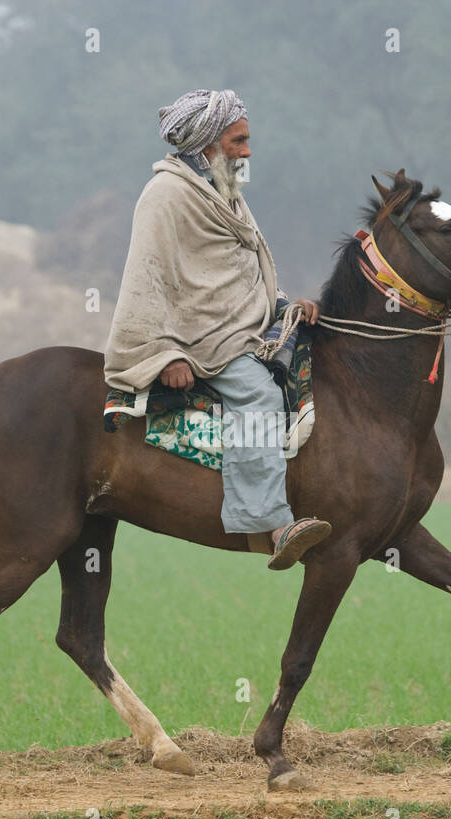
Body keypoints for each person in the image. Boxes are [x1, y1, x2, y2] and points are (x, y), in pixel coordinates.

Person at [103, 88, 331, 570]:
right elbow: (147, 280)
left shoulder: (223, 191)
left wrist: (285, 306)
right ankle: (270, 522)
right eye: (238, 141)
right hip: (208, 341)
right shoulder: (165, 196)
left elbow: (239, 274)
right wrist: (166, 355)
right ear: (207, 144)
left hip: (250, 327)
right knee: (259, 396)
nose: (247, 152)